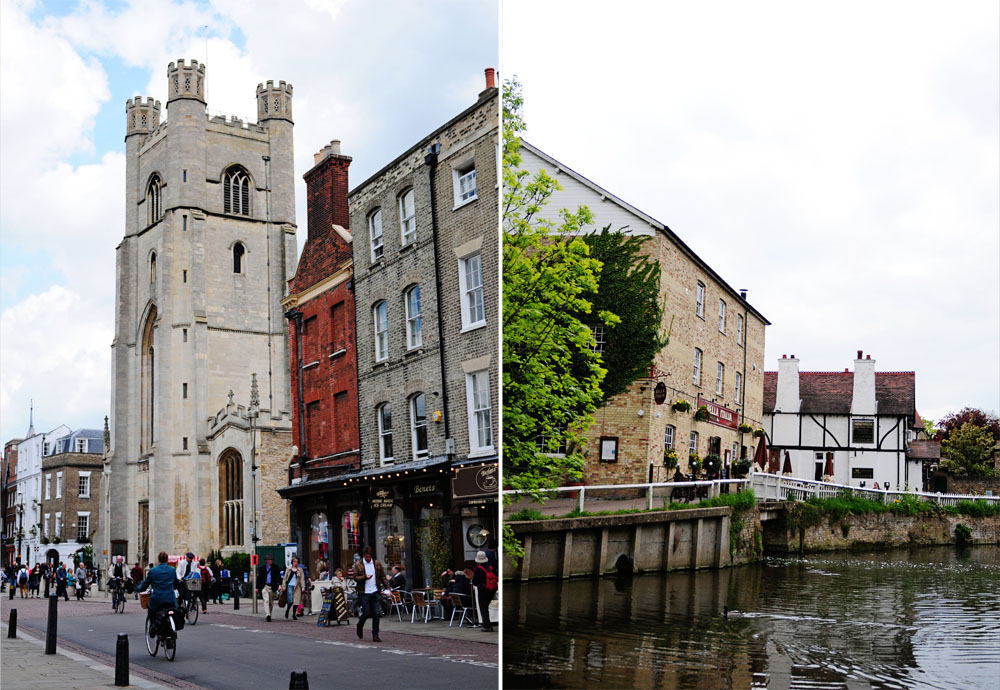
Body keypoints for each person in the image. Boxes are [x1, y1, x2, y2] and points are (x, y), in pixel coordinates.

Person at [137, 551, 181, 641]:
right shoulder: (172, 570)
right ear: (167, 560)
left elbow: (145, 584)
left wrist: (139, 588)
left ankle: (153, 626)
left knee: (151, 609)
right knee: (172, 609)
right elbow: (176, 583)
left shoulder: (153, 571)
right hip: (170, 598)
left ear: (158, 560)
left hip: (157, 599)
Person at [352, 546, 386, 642]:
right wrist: (364, 577)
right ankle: (359, 625)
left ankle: (375, 635)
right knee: (366, 613)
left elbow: (382, 576)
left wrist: (387, 587)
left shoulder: (377, 564)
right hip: (364, 592)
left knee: (376, 613)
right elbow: (355, 577)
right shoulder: (358, 564)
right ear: (363, 556)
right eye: (366, 557)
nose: (368, 559)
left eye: (369, 557)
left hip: (375, 591)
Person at [472, 550, 496, 633]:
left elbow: (475, 582)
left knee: (483, 608)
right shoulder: (490, 567)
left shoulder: (479, 569)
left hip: (483, 590)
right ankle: (488, 624)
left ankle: (487, 626)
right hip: (491, 589)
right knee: (486, 607)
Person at [280, 555, 309, 620]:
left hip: (297, 587)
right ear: (292, 562)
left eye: (297, 562)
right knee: (290, 600)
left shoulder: (300, 570)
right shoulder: (288, 569)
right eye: (294, 561)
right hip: (290, 586)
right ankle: (287, 610)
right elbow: (284, 579)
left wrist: (303, 587)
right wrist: (283, 586)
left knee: (296, 601)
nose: (295, 563)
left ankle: (293, 614)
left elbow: (302, 579)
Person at [255, 554, 281, 622]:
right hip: (265, 586)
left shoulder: (276, 567)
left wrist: (280, 585)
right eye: (268, 560)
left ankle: (270, 614)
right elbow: (259, 578)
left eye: (271, 560)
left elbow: (278, 577)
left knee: (271, 603)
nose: (270, 561)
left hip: (272, 586)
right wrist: (257, 587)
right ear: (266, 561)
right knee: (266, 601)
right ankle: (267, 615)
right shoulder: (262, 568)